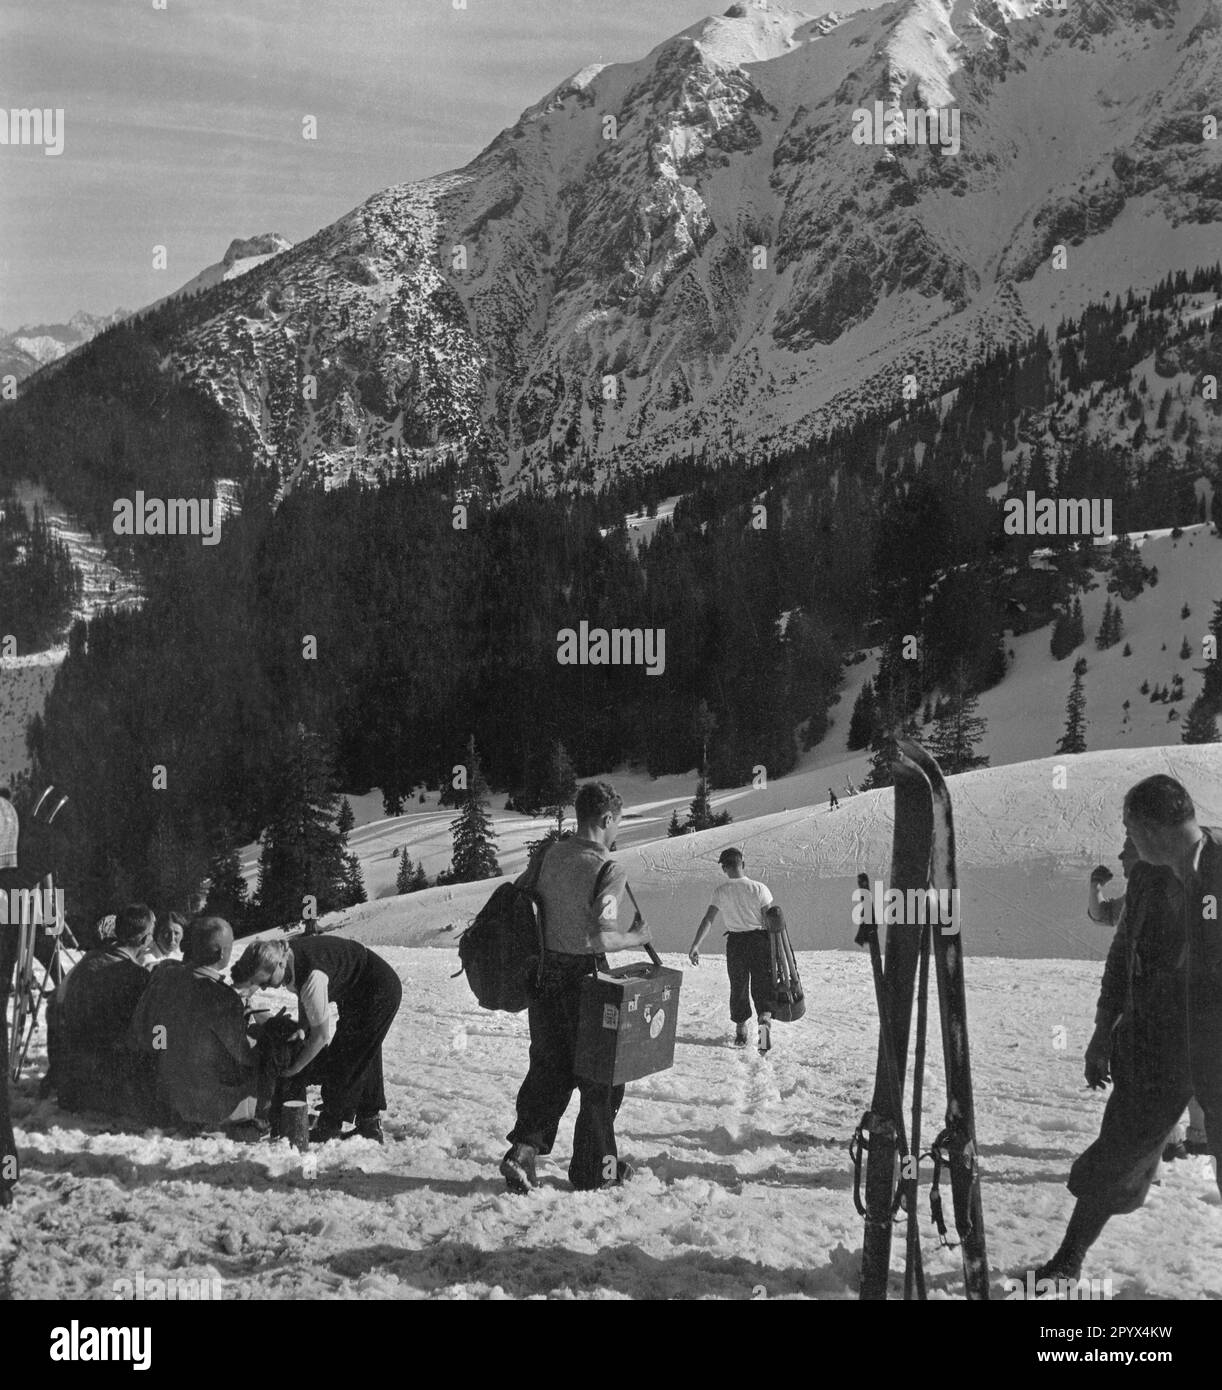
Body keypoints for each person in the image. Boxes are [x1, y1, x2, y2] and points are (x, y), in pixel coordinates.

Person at [1034, 775, 1221, 1284]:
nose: (1126, 841)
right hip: (1156, 1042)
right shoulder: (1146, 877)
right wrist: (1101, 1031)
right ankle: (1068, 1260)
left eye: (1129, 829)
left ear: (1152, 828)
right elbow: (1121, 958)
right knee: (1116, 1152)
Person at [501, 780, 650, 1194]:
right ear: (606, 820)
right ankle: (595, 1171)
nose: (616, 832)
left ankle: (523, 1152)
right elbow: (602, 937)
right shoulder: (608, 868)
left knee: (548, 1068)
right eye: (617, 824)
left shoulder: (548, 854)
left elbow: (520, 897)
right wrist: (635, 938)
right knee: (603, 1077)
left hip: (542, 977)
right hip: (586, 982)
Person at [1088, 836, 1206, 1164]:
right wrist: (1095, 887)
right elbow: (1105, 918)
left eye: (1127, 851)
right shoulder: (1138, 895)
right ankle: (1173, 1142)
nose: (1121, 857)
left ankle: (1182, 1140)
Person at [232, 933, 402, 1144]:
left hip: (378, 989)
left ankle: (329, 1125)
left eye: (266, 981)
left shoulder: (313, 976)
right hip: (358, 988)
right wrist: (303, 1027)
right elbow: (305, 998)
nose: (265, 987)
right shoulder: (286, 955)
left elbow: (321, 1036)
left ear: (280, 965)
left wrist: (295, 1068)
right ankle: (369, 1123)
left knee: (348, 1057)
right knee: (365, 1052)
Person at [129, 917, 276, 1135]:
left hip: (167, 1093)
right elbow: (244, 1057)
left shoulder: (164, 979)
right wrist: (257, 1035)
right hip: (207, 1104)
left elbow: (142, 1034)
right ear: (220, 954)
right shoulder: (222, 997)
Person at [54, 903, 154, 1117]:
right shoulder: (137, 977)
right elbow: (145, 1031)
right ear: (145, 940)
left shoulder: (87, 961)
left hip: (72, 1082)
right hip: (108, 1090)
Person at [688, 847, 775, 1053]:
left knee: (739, 986)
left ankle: (741, 1032)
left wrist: (696, 945)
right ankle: (764, 1024)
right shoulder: (760, 888)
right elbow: (769, 921)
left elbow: (708, 919)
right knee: (761, 986)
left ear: (724, 868)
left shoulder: (721, 891)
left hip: (736, 943)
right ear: (743, 864)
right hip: (760, 941)